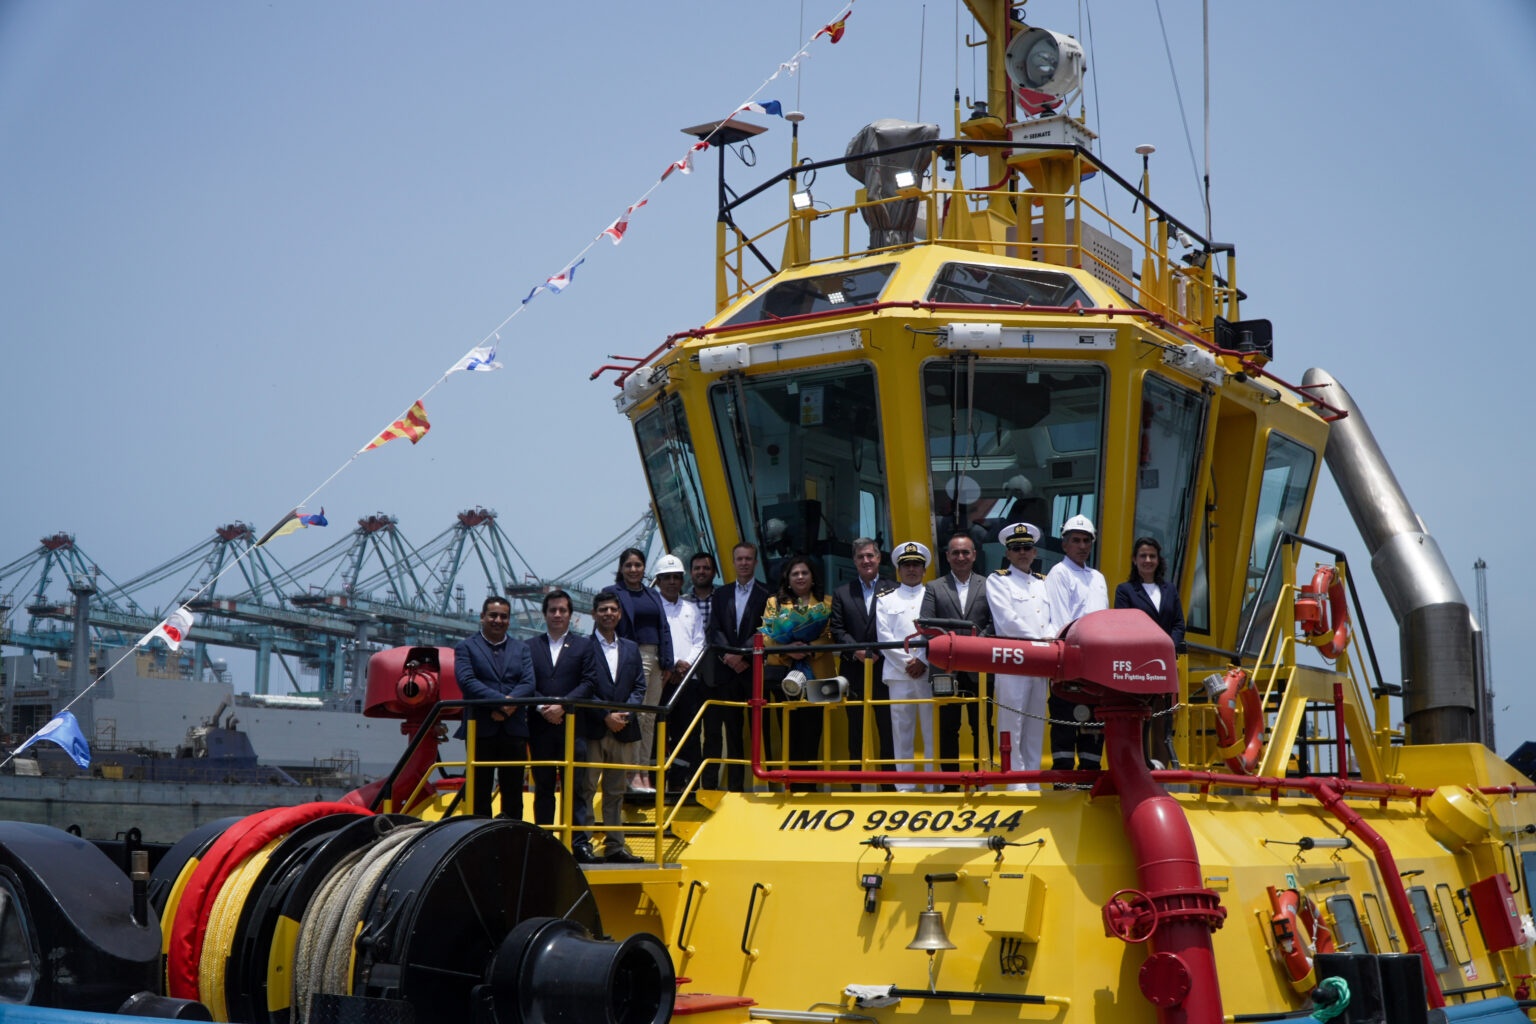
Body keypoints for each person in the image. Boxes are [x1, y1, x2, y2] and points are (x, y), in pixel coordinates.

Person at [525, 588, 598, 861]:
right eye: (553, 610)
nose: (557, 615)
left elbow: (589, 683)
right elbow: (526, 684)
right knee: (542, 787)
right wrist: (544, 707)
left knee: (575, 788)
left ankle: (578, 843)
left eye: (563, 610)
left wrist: (563, 706)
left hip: (572, 728)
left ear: (571, 615)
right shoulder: (530, 647)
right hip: (541, 727)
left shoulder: (584, 646)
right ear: (544, 614)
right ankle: (544, 839)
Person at [985, 523, 1053, 791]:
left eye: (1026, 548)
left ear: (1035, 552)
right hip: (1013, 658)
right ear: (1008, 553)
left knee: (1036, 721)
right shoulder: (998, 580)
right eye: (1016, 548)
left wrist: (1048, 638)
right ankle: (1015, 780)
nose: (1022, 552)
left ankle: (1033, 778)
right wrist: (1041, 640)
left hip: (1040, 660)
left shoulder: (1044, 584)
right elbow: (1006, 620)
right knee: (1011, 721)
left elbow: (1052, 619)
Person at [454, 595, 535, 818]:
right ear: (482, 617)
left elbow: (528, 683)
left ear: (509, 620)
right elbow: (467, 681)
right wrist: (503, 704)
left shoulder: (522, 649)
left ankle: (511, 837)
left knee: (513, 793)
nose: (498, 620)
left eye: (503, 616)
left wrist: (508, 707)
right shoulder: (466, 647)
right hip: (480, 729)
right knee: (479, 791)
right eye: (493, 615)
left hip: (514, 730)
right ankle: (481, 838)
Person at [921, 532, 993, 780]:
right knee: (948, 728)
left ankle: (982, 778)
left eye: (965, 552)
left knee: (982, 726)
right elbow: (927, 625)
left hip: (979, 668)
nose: (961, 557)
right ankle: (950, 782)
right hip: (945, 668)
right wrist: (953, 648)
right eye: (955, 553)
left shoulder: (989, 584)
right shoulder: (933, 587)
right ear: (947, 556)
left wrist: (974, 646)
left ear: (974, 555)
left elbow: (994, 623)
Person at [581, 591, 647, 863]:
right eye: (603, 609)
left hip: (623, 729)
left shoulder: (631, 648)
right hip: (594, 728)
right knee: (586, 788)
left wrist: (624, 715)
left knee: (616, 790)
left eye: (612, 610)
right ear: (594, 614)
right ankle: (582, 844)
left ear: (619, 614)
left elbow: (639, 686)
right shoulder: (582, 647)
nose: (608, 614)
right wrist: (606, 715)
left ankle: (615, 847)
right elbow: (583, 687)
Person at [601, 548, 673, 793]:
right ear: (621, 568)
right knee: (634, 715)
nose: (633, 570)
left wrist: (667, 661)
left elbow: (664, 628)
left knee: (649, 717)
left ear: (644, 568)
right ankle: (631, 773)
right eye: (629, 565)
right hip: (631, 655)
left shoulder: (652, 594)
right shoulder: (613, 593)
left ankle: (644, 772)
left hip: (655, 657)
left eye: (638, 565)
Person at [1044, 514, 1110, 773]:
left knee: (1093, 730)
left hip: (1096, 666)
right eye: (1076, 541)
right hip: (1071, 663)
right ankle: (1063, 784)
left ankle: (1088, 781)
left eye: (1086, 541)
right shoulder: (1059, 574)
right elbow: (1062, 621)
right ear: (1065, 545)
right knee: (1065, 726)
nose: (1082, 546)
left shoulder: (1098, 577)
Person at [762, 554, 834, 788]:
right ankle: (791, 785)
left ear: (813, 577)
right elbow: (766, 638)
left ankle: (810, 786)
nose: (800, 577)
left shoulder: (827, 603)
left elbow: (831, 637)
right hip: (784, 675)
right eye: (795, 574)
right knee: (789, 733)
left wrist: (809, 649)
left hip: (819, 675)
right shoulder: (774, 603)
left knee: (814, 732)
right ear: (788, 579)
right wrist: (789, 649)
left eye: (805, 573)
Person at [1113, 536, 1186, 767]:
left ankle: (1161, 771)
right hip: (1139, 665)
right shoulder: (1125, 591)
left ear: (1158, 560)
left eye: (1152, 556)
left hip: (1164, 665)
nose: (1147, 560)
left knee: (1162, 719)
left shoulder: (1169, 590)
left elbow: (1178, 624)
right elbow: (1124, 624)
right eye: (1143, 556)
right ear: (1134, 560)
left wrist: (1168, 647)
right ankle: (1138, 765)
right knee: (1140, 717)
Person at [703, 542, 769, 791]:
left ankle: (765, 784)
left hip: (753, 671)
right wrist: (729, 656)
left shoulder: (767, 594)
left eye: (748, 559)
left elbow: (765, 628)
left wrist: (743, 655)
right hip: (727, 672)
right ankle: (735, 787)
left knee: (758, 730)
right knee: (731, 731)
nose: (743, 563)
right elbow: (715, 628)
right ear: (733, 562)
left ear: (755, 562)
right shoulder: (720, 595)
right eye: (739, 559)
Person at [830, 538, 895, 778]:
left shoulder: (894, 588)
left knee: (888, 729)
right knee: (855, 730)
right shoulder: (842, 593)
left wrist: (882, 651)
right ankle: (856, 783)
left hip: (886, 670)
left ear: (878, 558)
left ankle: (890, 785)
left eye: (870, 556)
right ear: (854, 561)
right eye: (861, 557)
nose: (866, 561)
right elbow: (837, 630)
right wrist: (855, 650)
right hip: (854, 672)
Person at [875, 541, 937, 792]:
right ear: (899, 570)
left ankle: (935, 784)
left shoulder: (933, 596)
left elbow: (937, 633)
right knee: (902, 731)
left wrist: (922, 660)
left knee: (932, 729)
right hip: (899, 675)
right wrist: (908, 663)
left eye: (916, 565)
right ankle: (905, 785)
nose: (912, 569)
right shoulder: (885, 600)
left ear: (924, 570)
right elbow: (884, 638)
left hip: (928, 672)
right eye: (907, 565)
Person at [653, 553, 705, 789]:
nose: (672, 581)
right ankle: (653, 783)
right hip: (660, 678)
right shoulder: (652, 607)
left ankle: (683, 785)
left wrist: (684, 665)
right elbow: (651, 641)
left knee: (687, 735)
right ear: (658, 581)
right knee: (655, 734)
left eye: (676, 577)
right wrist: (672, 663)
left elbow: (700, 641)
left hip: (688, 680)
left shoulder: (692, 608)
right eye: (667, 577)